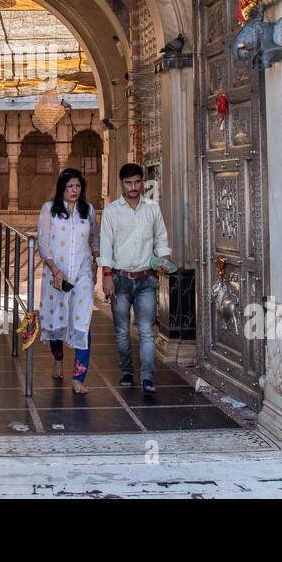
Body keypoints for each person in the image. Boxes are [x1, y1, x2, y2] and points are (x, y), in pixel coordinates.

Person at [98, 163, 170, 394]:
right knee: (121, 330)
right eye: (129, 183)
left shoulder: (152, 209)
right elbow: (105, 247)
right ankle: (127, 371)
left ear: (142, 182)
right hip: (119, 279)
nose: (133, 187)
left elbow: (160, 238)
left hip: (146, 279)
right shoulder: (111, 212)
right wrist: (106, 276)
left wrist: (164, 258)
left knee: (147, 330)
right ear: (121, 183)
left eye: (137, 182)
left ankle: (148, 377)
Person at [37, 168, 99, 394]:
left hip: (82, 275)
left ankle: (78, 377)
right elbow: (43, 243)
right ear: (62, 188)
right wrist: (54, 269)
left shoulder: (87, 210)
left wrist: (96, 261)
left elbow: (94, 237)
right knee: (56, 319)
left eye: (78, 186)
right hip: (56, 276)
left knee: (83, 322)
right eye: (70, 186)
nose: (74, 191)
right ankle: (58, 357)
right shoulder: (49, 210)